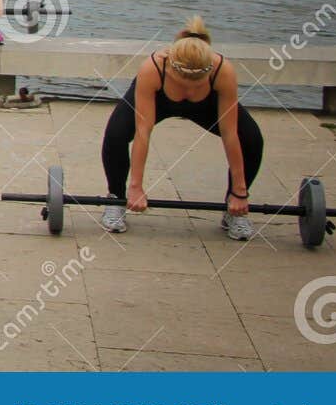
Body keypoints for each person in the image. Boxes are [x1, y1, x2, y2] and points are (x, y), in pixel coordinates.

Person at [99, 17, 263, 241]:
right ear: (171, 64)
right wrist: (135, 187)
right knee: (115, 135)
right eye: (183, 80)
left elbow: (229, 133)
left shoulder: (223, 71)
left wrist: (240, 191)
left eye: (195, 82)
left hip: (206, 106)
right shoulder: (153, 68)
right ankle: (116, 198)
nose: (188, 86)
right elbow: (143, 132)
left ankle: (232, 209)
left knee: (252, 139)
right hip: (160, 100)